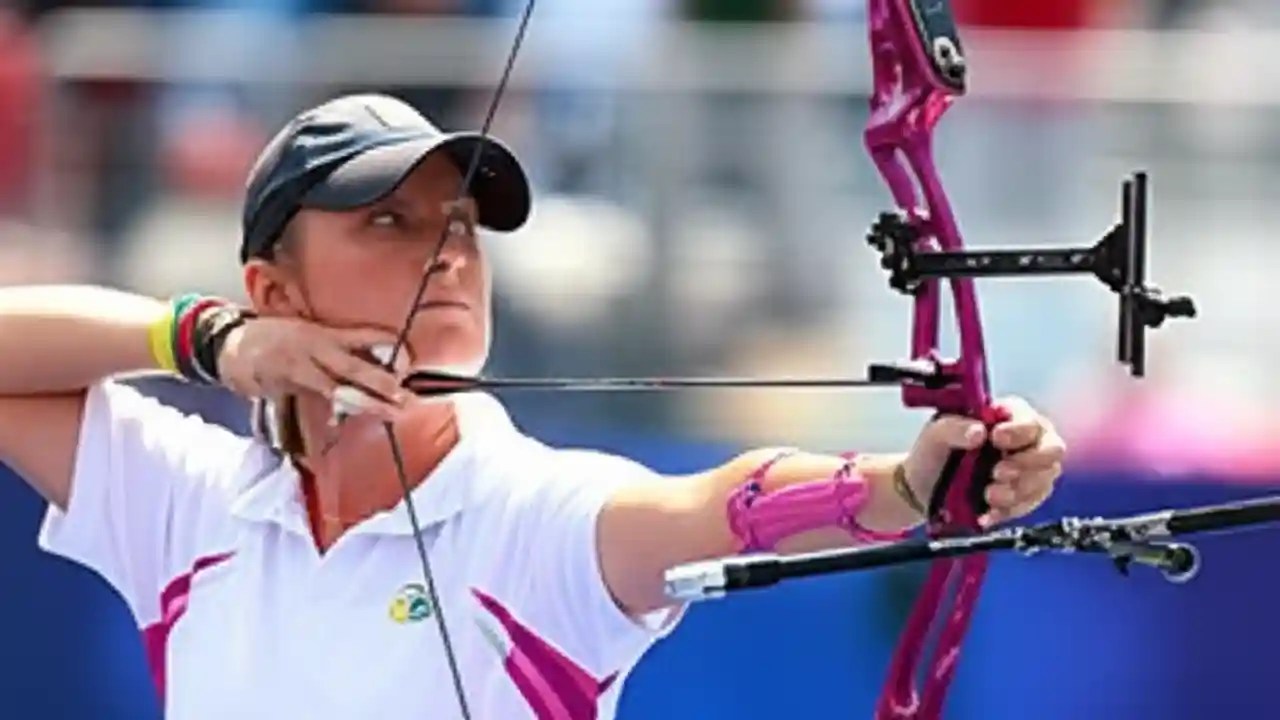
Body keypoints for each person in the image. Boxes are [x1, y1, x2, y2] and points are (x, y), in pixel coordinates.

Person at [0, 94, 1066, 719]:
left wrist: (902, 485)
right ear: (273, 291)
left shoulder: (537, 514)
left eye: (461, 224)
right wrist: (209, 340)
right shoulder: (190, 504)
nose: (449, 253)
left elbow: (709, 506)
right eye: (389, 222)